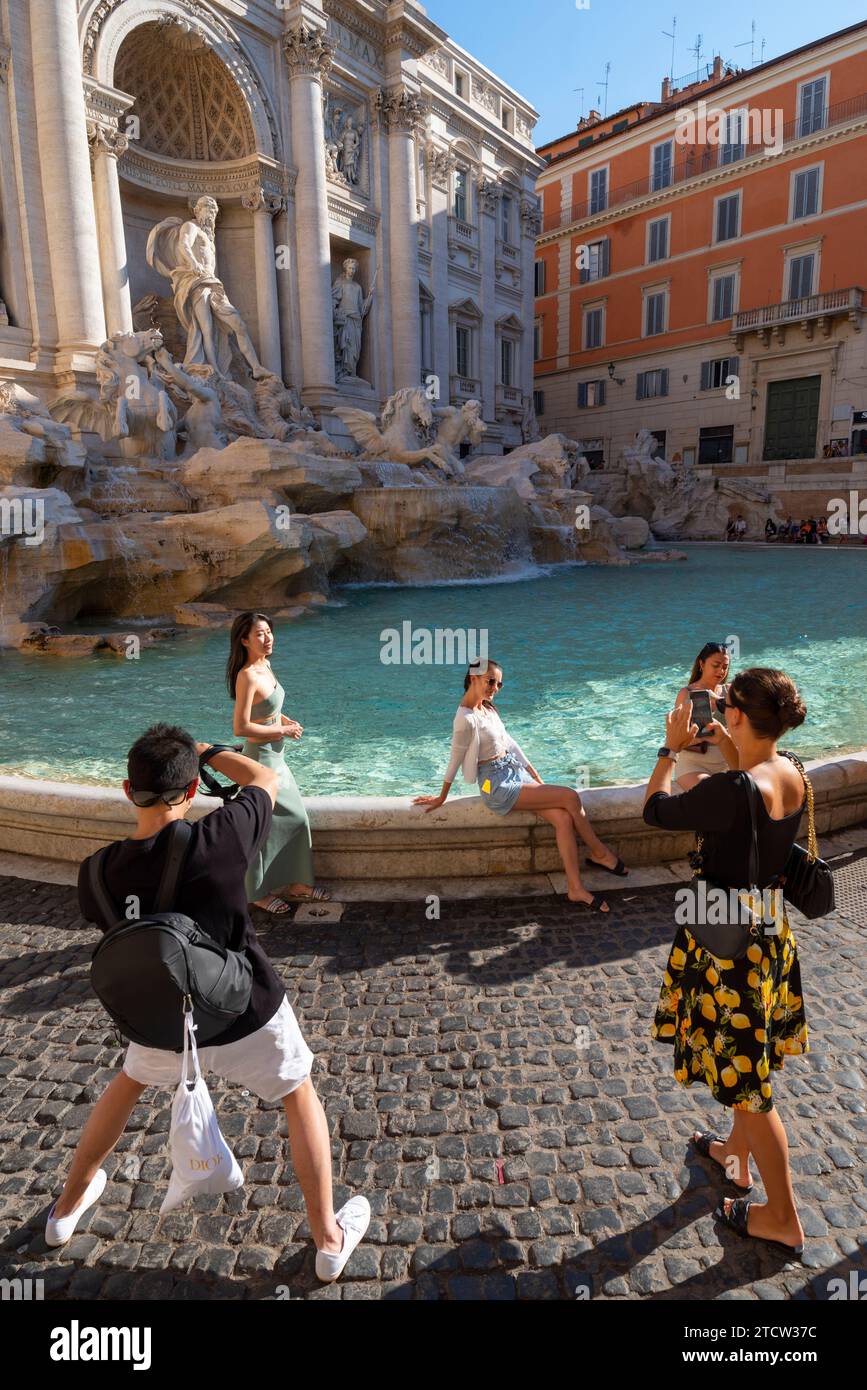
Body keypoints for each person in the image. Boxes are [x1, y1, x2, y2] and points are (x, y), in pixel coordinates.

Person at [47, 724, 369, 1281]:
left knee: (125, 1085)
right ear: (192, 790)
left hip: (162, 1021)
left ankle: (64, 1211)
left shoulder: (95, 872)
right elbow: (265, 777)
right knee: (299, 1094)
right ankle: (328, 1241)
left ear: (128, 790)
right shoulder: (220, 838)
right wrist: (208, 751)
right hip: (246, 1010)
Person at [643, 669, 810, 1258]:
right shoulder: (789, 769)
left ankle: (783, 1217)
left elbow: (653, 810)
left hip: (726, 949)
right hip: (768, 934)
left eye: (726, 706)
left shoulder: (728, 791)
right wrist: (731, 747)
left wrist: (668, 748)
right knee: (747, 1069)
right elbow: (753, 794)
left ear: (736, 716)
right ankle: (731, 1158)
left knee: (752, 1092)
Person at [413, 658, 627, 913]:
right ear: (473, 678)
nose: (495, 687)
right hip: (495, 784)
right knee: (570, 797)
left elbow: (508, 741)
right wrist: (441, 796)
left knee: (562, 818)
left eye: (499, 683)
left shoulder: (487, 708)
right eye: (490, 681)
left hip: (513, 772)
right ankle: (599, 853)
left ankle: (575, 889)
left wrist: (533, 772)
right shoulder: (465, 718)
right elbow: (455, 758)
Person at [228, 612, 329, 914]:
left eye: (269, 632)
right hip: (260, 761)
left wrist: (282, 719)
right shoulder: (246, 675)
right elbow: (240, 727)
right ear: (244, 640)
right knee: (264, 827)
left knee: (297, 819)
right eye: (259, 634)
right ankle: (255, 893)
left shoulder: (266, 666)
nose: (268, 638)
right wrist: (281, 730)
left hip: (277, 758)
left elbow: (267, 707)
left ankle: (298, 884)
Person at [671, 642, 731, 792]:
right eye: (716, 665)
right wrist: (705, 735)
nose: (721, 671)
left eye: (725, 666)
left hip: (727, 761)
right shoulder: (686, 693)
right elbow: (676, 739)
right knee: (712, 794)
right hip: (693, 764)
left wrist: (717, 700)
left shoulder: (729, 691)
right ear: (701, 664)